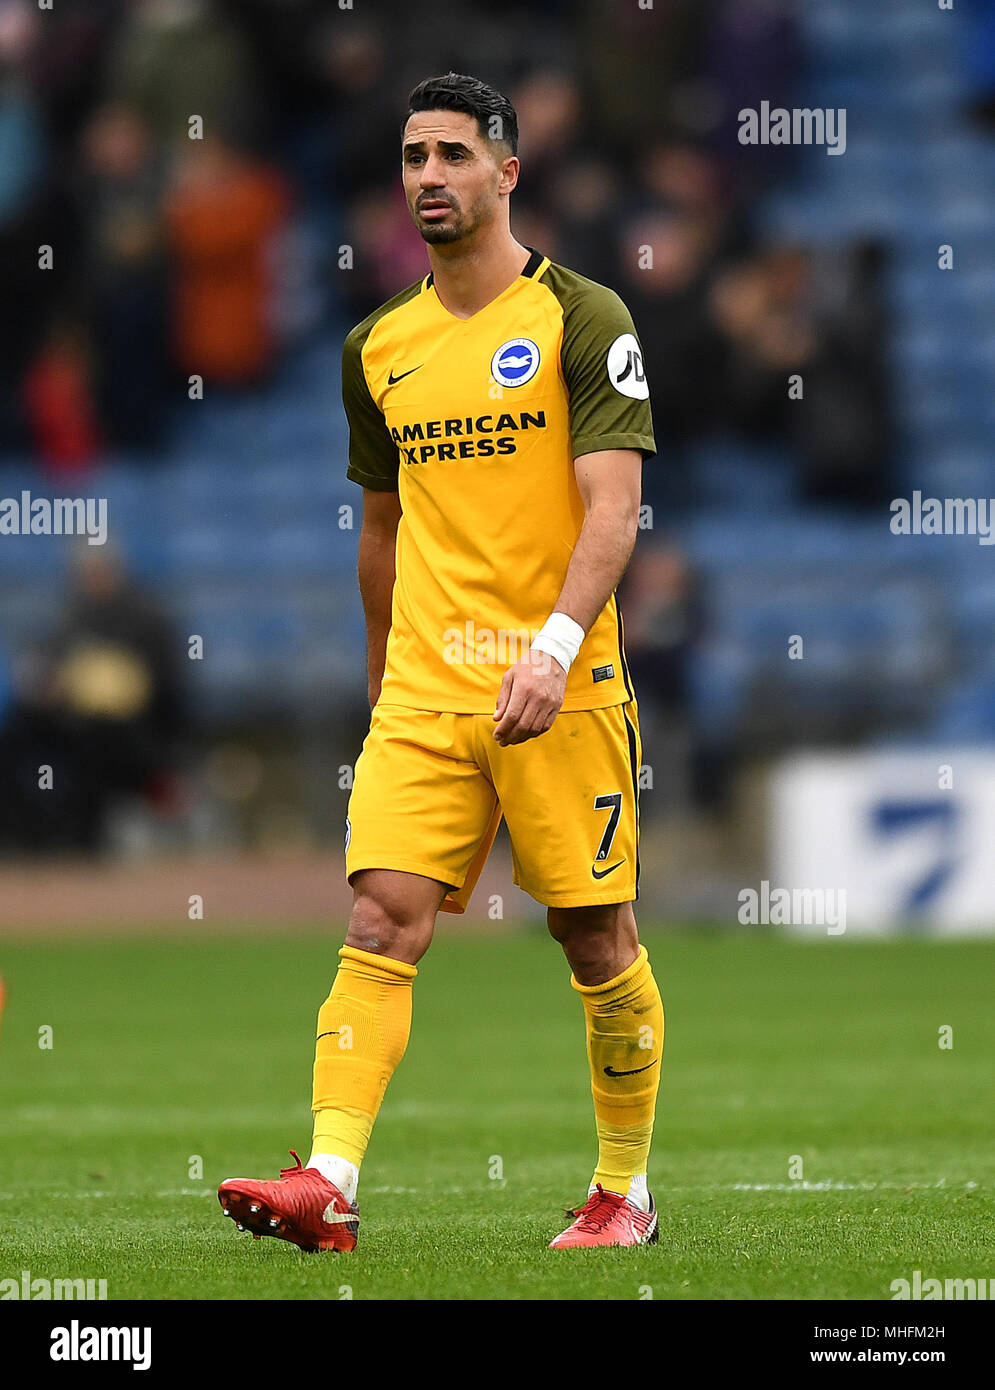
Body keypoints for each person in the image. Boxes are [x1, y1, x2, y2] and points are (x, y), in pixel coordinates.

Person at [219, 72, 663, 1253]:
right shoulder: (376, 345)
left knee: (593, 937)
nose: (429, 175)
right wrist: (383, 685)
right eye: (414, 156)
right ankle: (327, 1179)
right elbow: (380, 531)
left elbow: (613, 511)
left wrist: (553, 649)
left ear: (507, 172)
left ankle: (622, 1189)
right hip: (425, 687)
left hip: (559, 684)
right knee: (379, 919)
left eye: (454, 154)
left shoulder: (583, 318)